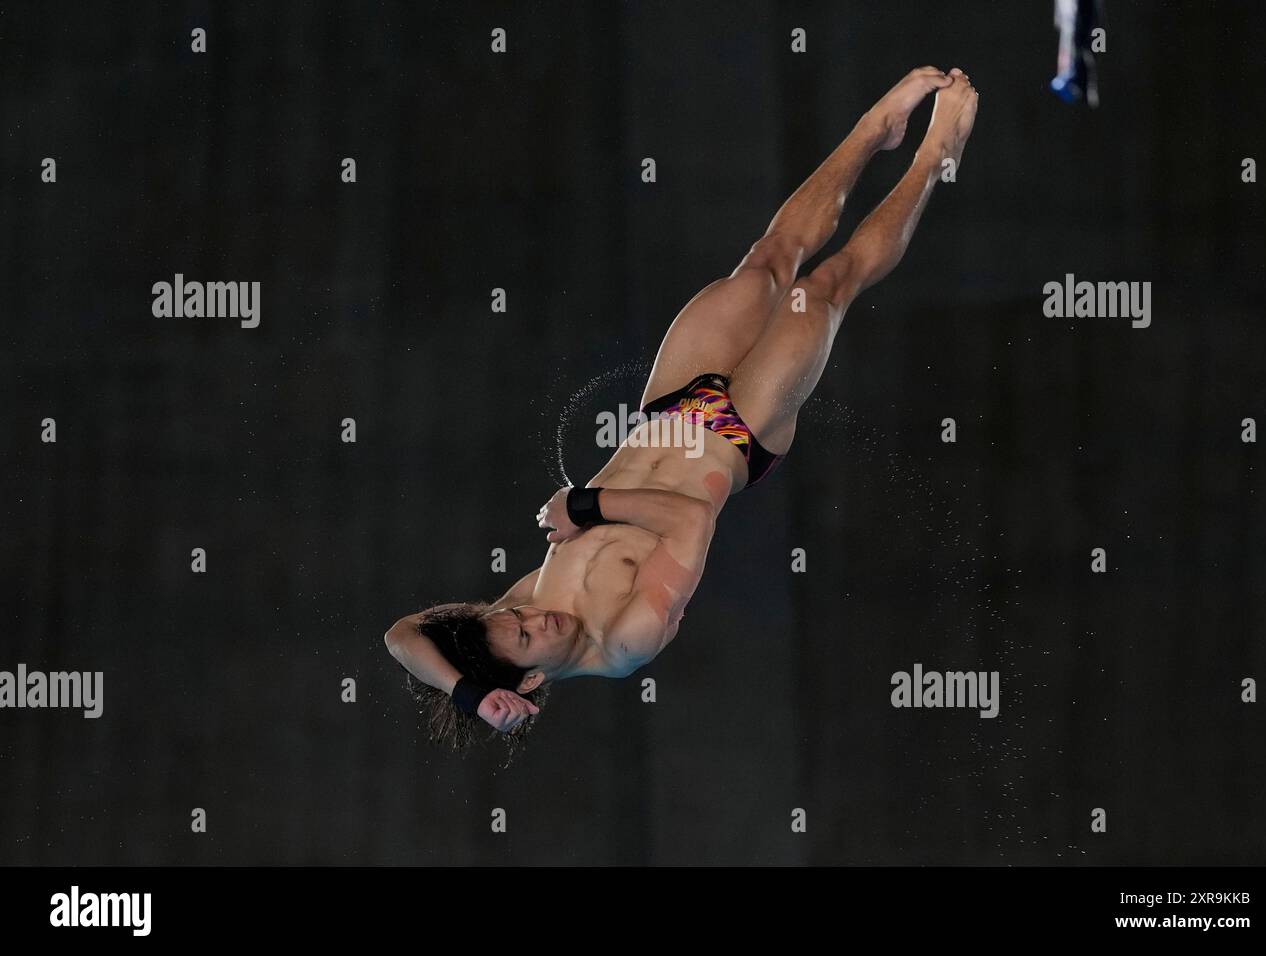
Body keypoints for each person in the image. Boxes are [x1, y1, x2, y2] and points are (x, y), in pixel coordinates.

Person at [386, 66, 979, 752]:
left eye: (516, 613)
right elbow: (691, 520)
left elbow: (399, 637)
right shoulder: (623, 643)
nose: (532, 616)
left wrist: (466, 694)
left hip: (668, 406)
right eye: (525, 635)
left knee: (766, 262)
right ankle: (937, 156)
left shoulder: (509, 615)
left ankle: (877, 131)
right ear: (527, 686)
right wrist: (587, 508)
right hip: (738, 436)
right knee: (824, 289)